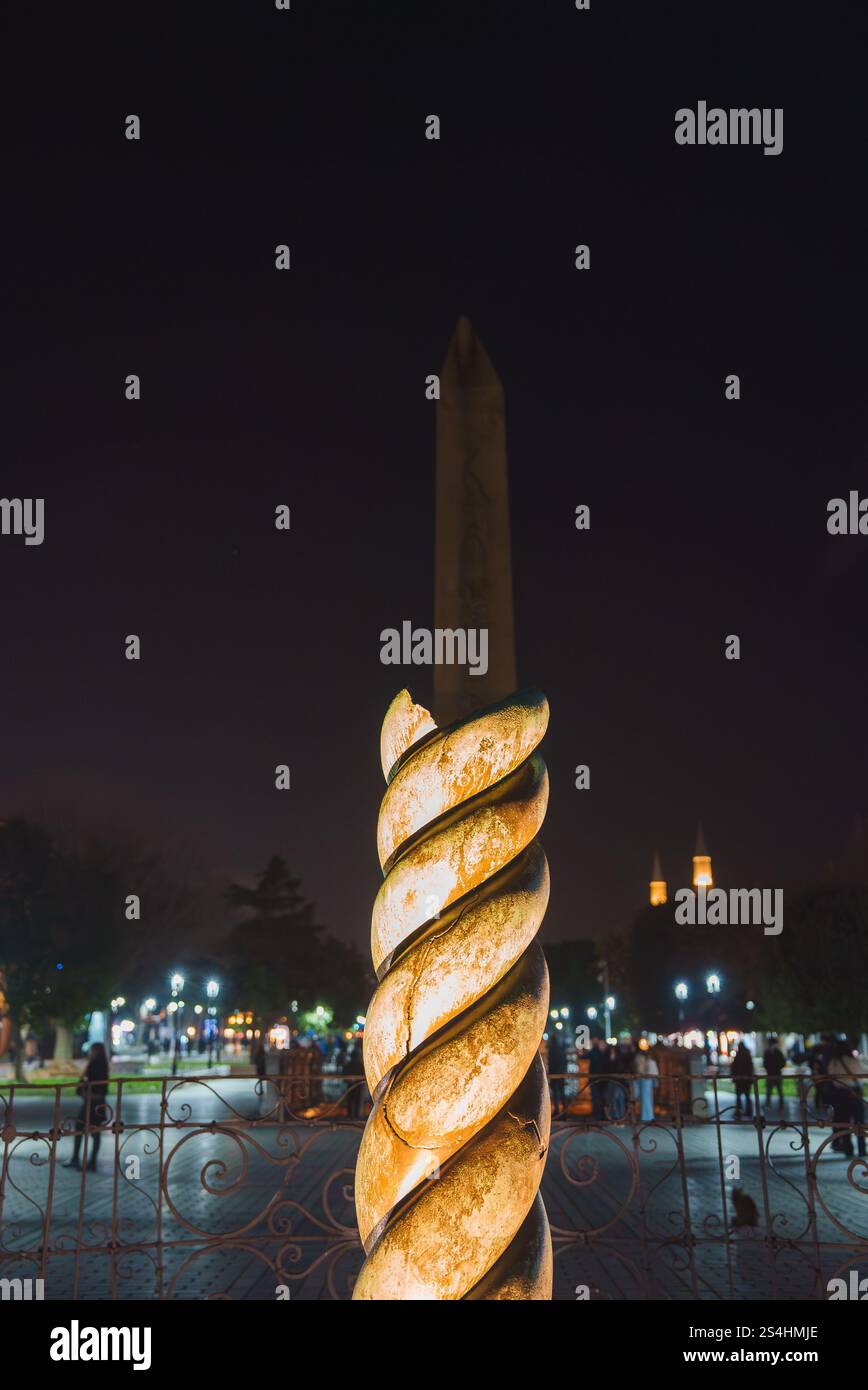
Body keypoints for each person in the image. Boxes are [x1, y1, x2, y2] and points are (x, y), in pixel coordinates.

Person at [64, 1042, 109, 1171]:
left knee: (80, 1127)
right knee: (95, 1132)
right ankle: (92, 1161)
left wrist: (86, 1092)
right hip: (99, 1102)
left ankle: (76, 1159)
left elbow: (87, 1081)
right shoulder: (103, 1064)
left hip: (91, 1101)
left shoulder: (94, 1064)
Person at [827, 1039, 866, 1158]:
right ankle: (862, 1149)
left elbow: (831, 1078)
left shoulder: (833, 1062)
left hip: (840, 1095)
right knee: (859, 1122)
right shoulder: (853, 1061)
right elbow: (864, 1074)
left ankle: (848, 1149)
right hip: (854, 1093)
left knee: (844, 1122)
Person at [730, 1040, 755, 1118]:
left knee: (739, 1096)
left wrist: (734, 1077)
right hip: (746, 1079)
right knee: (747, 1096)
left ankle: (739, 1111)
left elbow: (734, 1067)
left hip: (740, 1079)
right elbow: (750, 1067)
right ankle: (748, 1111)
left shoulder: (738, 1055)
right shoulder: (747, 1055)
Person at [633, 1048, 659, 1122]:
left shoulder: (643, 1061)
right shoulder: (650, 1062)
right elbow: (655, 1073)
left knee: (645, 1100)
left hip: (644, 1081)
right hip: (647, 1081)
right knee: (647, 1099)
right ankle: (648, 1116)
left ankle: (646, 1116)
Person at [763, 1035, 786, 1108]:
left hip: (775, 1073)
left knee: (778, 1090)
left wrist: (778, 1066)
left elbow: (783, 1062)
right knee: (770, 1091)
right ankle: (769, 1104)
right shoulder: (769, 1052)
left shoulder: (777, 1052)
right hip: (772, 1073)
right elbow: (765, 1063)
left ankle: (780, 1104)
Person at [547, 1029, 567, 1116]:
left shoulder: (551, 1050)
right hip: (561, 1073)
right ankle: (564, 1111)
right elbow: (564, 1061)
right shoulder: (561, 1049)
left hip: (554, 1074)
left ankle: (557, 1111)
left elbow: (551, 1062)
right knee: (562, 1092)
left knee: (555, 1093)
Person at [588, 1038, 607, 1120]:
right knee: (601, 1097)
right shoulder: (602, 1053)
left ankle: (597, 1114)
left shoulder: (592, 1053)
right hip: (602, 1078)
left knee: (596, 1097)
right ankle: (602, 1114)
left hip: (594, 1078)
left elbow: (583, 1056)